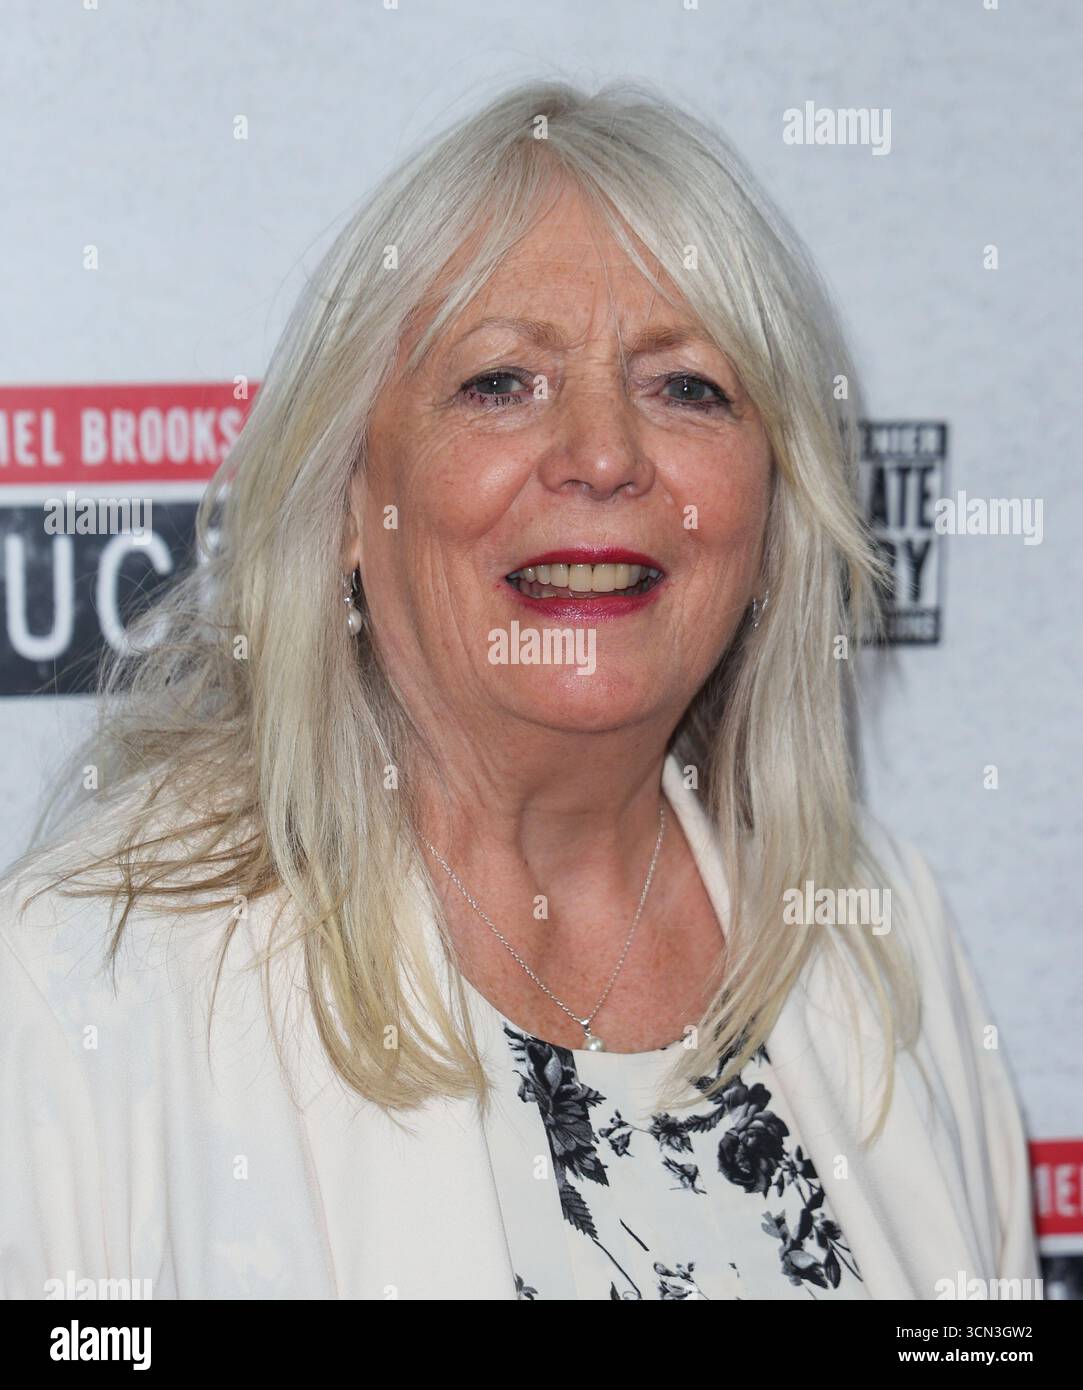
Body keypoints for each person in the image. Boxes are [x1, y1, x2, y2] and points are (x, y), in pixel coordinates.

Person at [0, 79, 1038, 1300]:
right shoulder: (80, 973)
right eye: (502, 383)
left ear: (772, 510)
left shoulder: (874, 929)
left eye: (687, 386)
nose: (602, 455)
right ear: (346, 498)